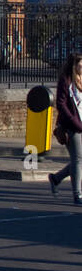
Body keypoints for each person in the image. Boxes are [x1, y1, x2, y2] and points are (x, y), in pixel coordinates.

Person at [48, 52, 82, 205]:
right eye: (80, 66)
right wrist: (73, 121)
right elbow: (61, 104)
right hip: (71, 126)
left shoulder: (81, 80)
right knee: (78, 160)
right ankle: (77, 194)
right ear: (73, 66)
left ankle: (56, 179)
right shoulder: (66, 81)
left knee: (80, 161)